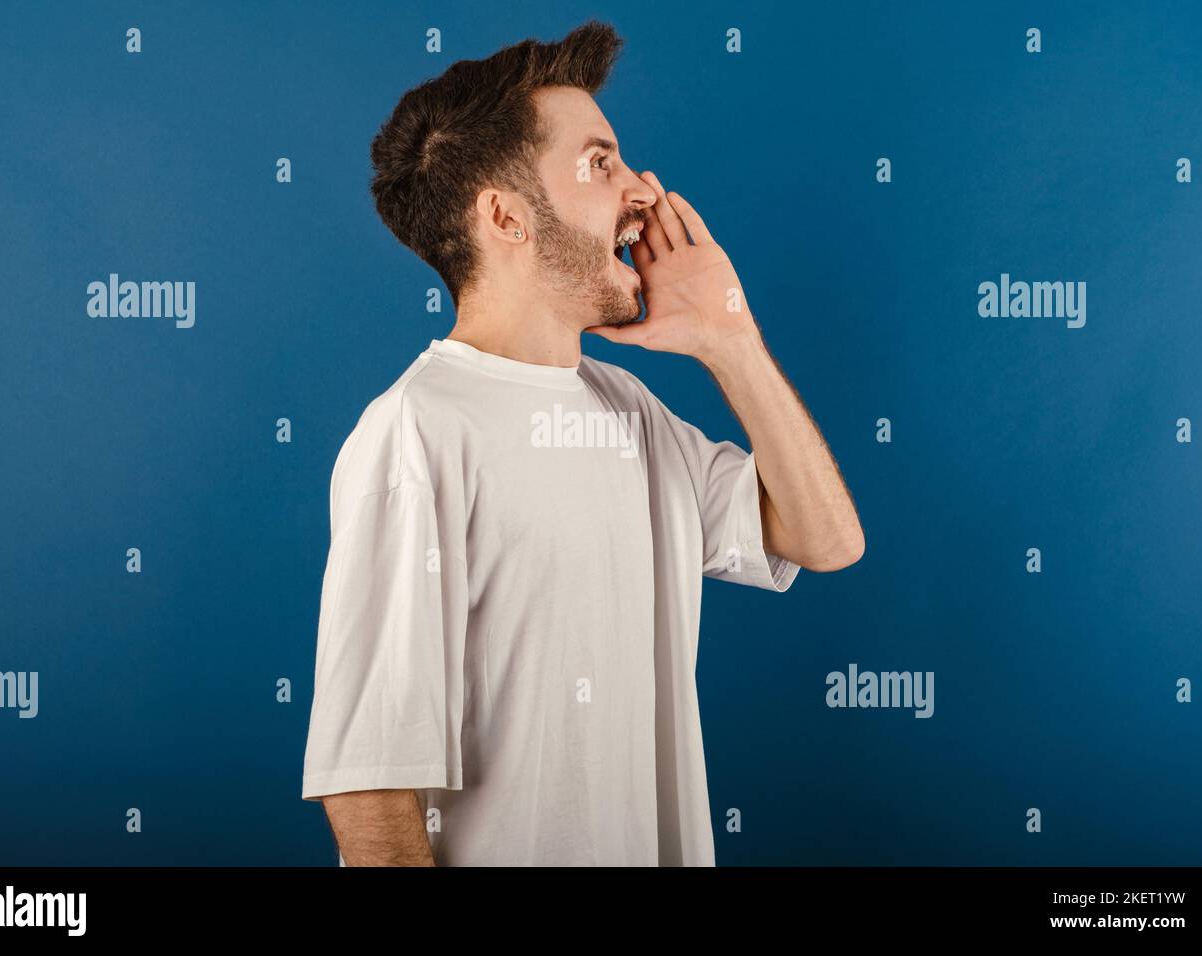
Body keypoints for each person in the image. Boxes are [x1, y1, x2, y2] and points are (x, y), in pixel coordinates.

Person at [300, 20, 864, 866]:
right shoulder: (415, 432)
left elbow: (826, 539)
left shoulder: (627, 407)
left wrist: (730, 338)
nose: (643, 190)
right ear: (505, 215)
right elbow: (369, 788)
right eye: (599, 163)